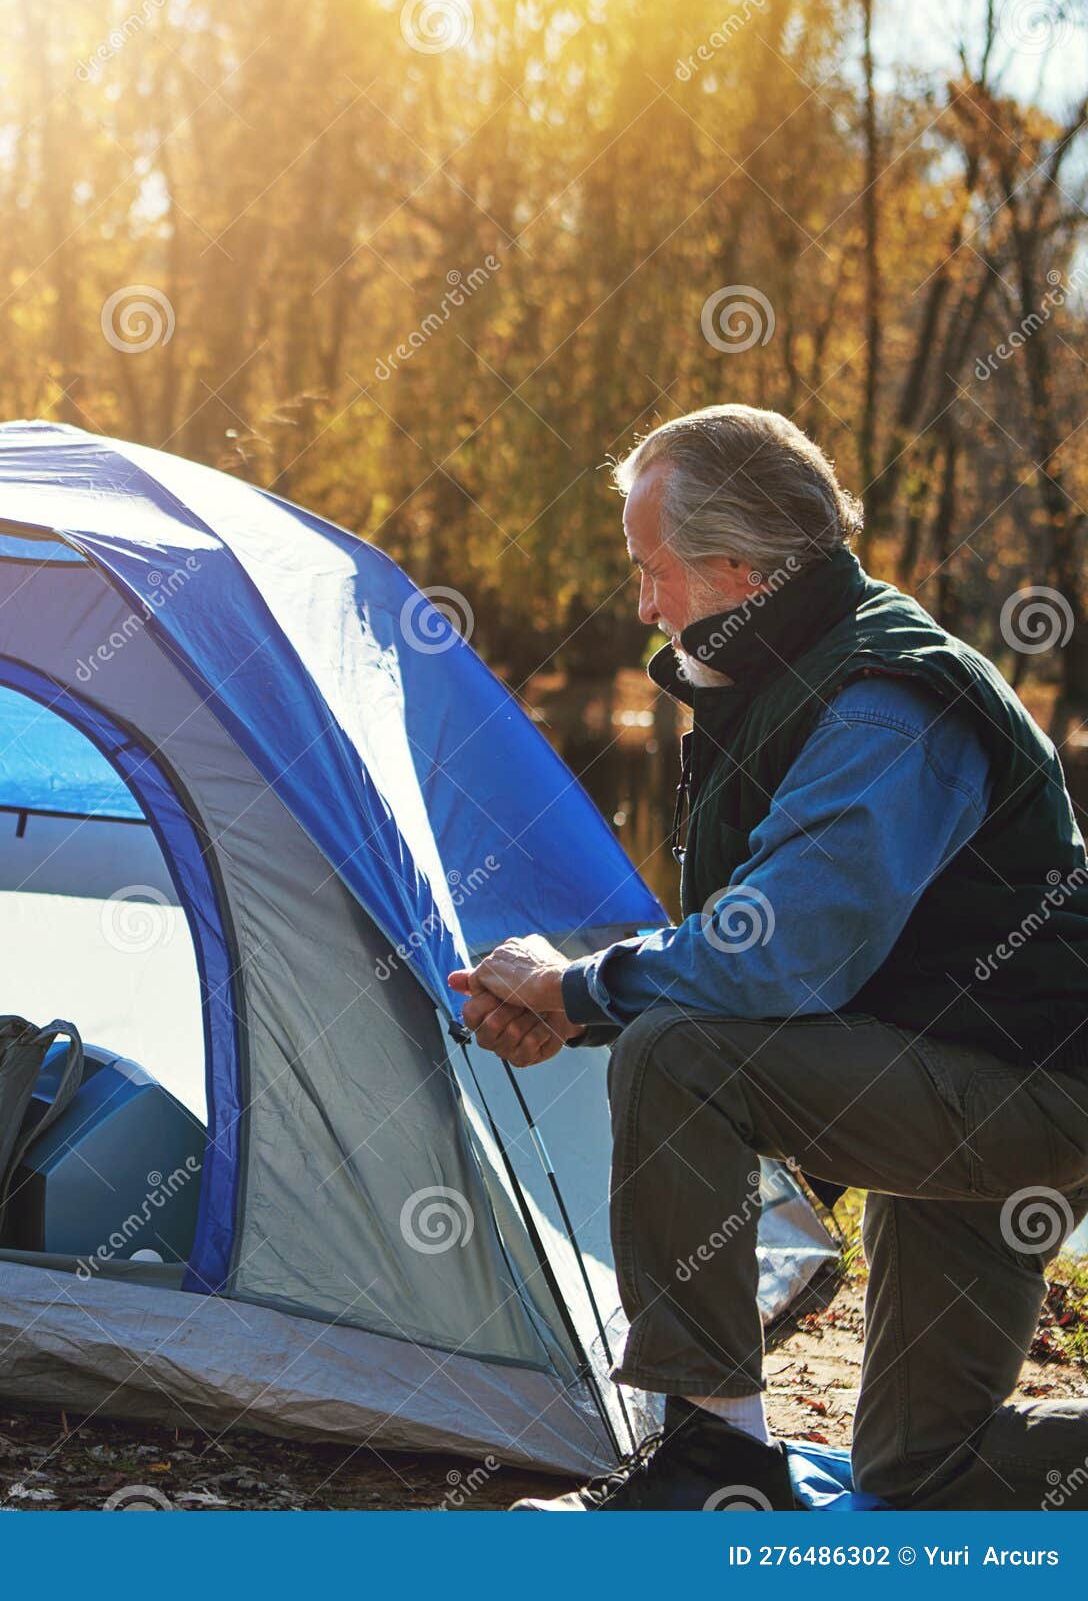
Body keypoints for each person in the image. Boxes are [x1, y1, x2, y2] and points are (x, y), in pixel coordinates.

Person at [449, 405, 1088, 1511]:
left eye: (653, 571)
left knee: (675, 1054)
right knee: (922, 1475)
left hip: (1023, 1092)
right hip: (947, 1069)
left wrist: (571, 992)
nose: (643, 603)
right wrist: (575, 995)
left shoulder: (886, 699)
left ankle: (715, 1461)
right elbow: (751, 937)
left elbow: (779, 955)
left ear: (737, 567)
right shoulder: (787, 674)